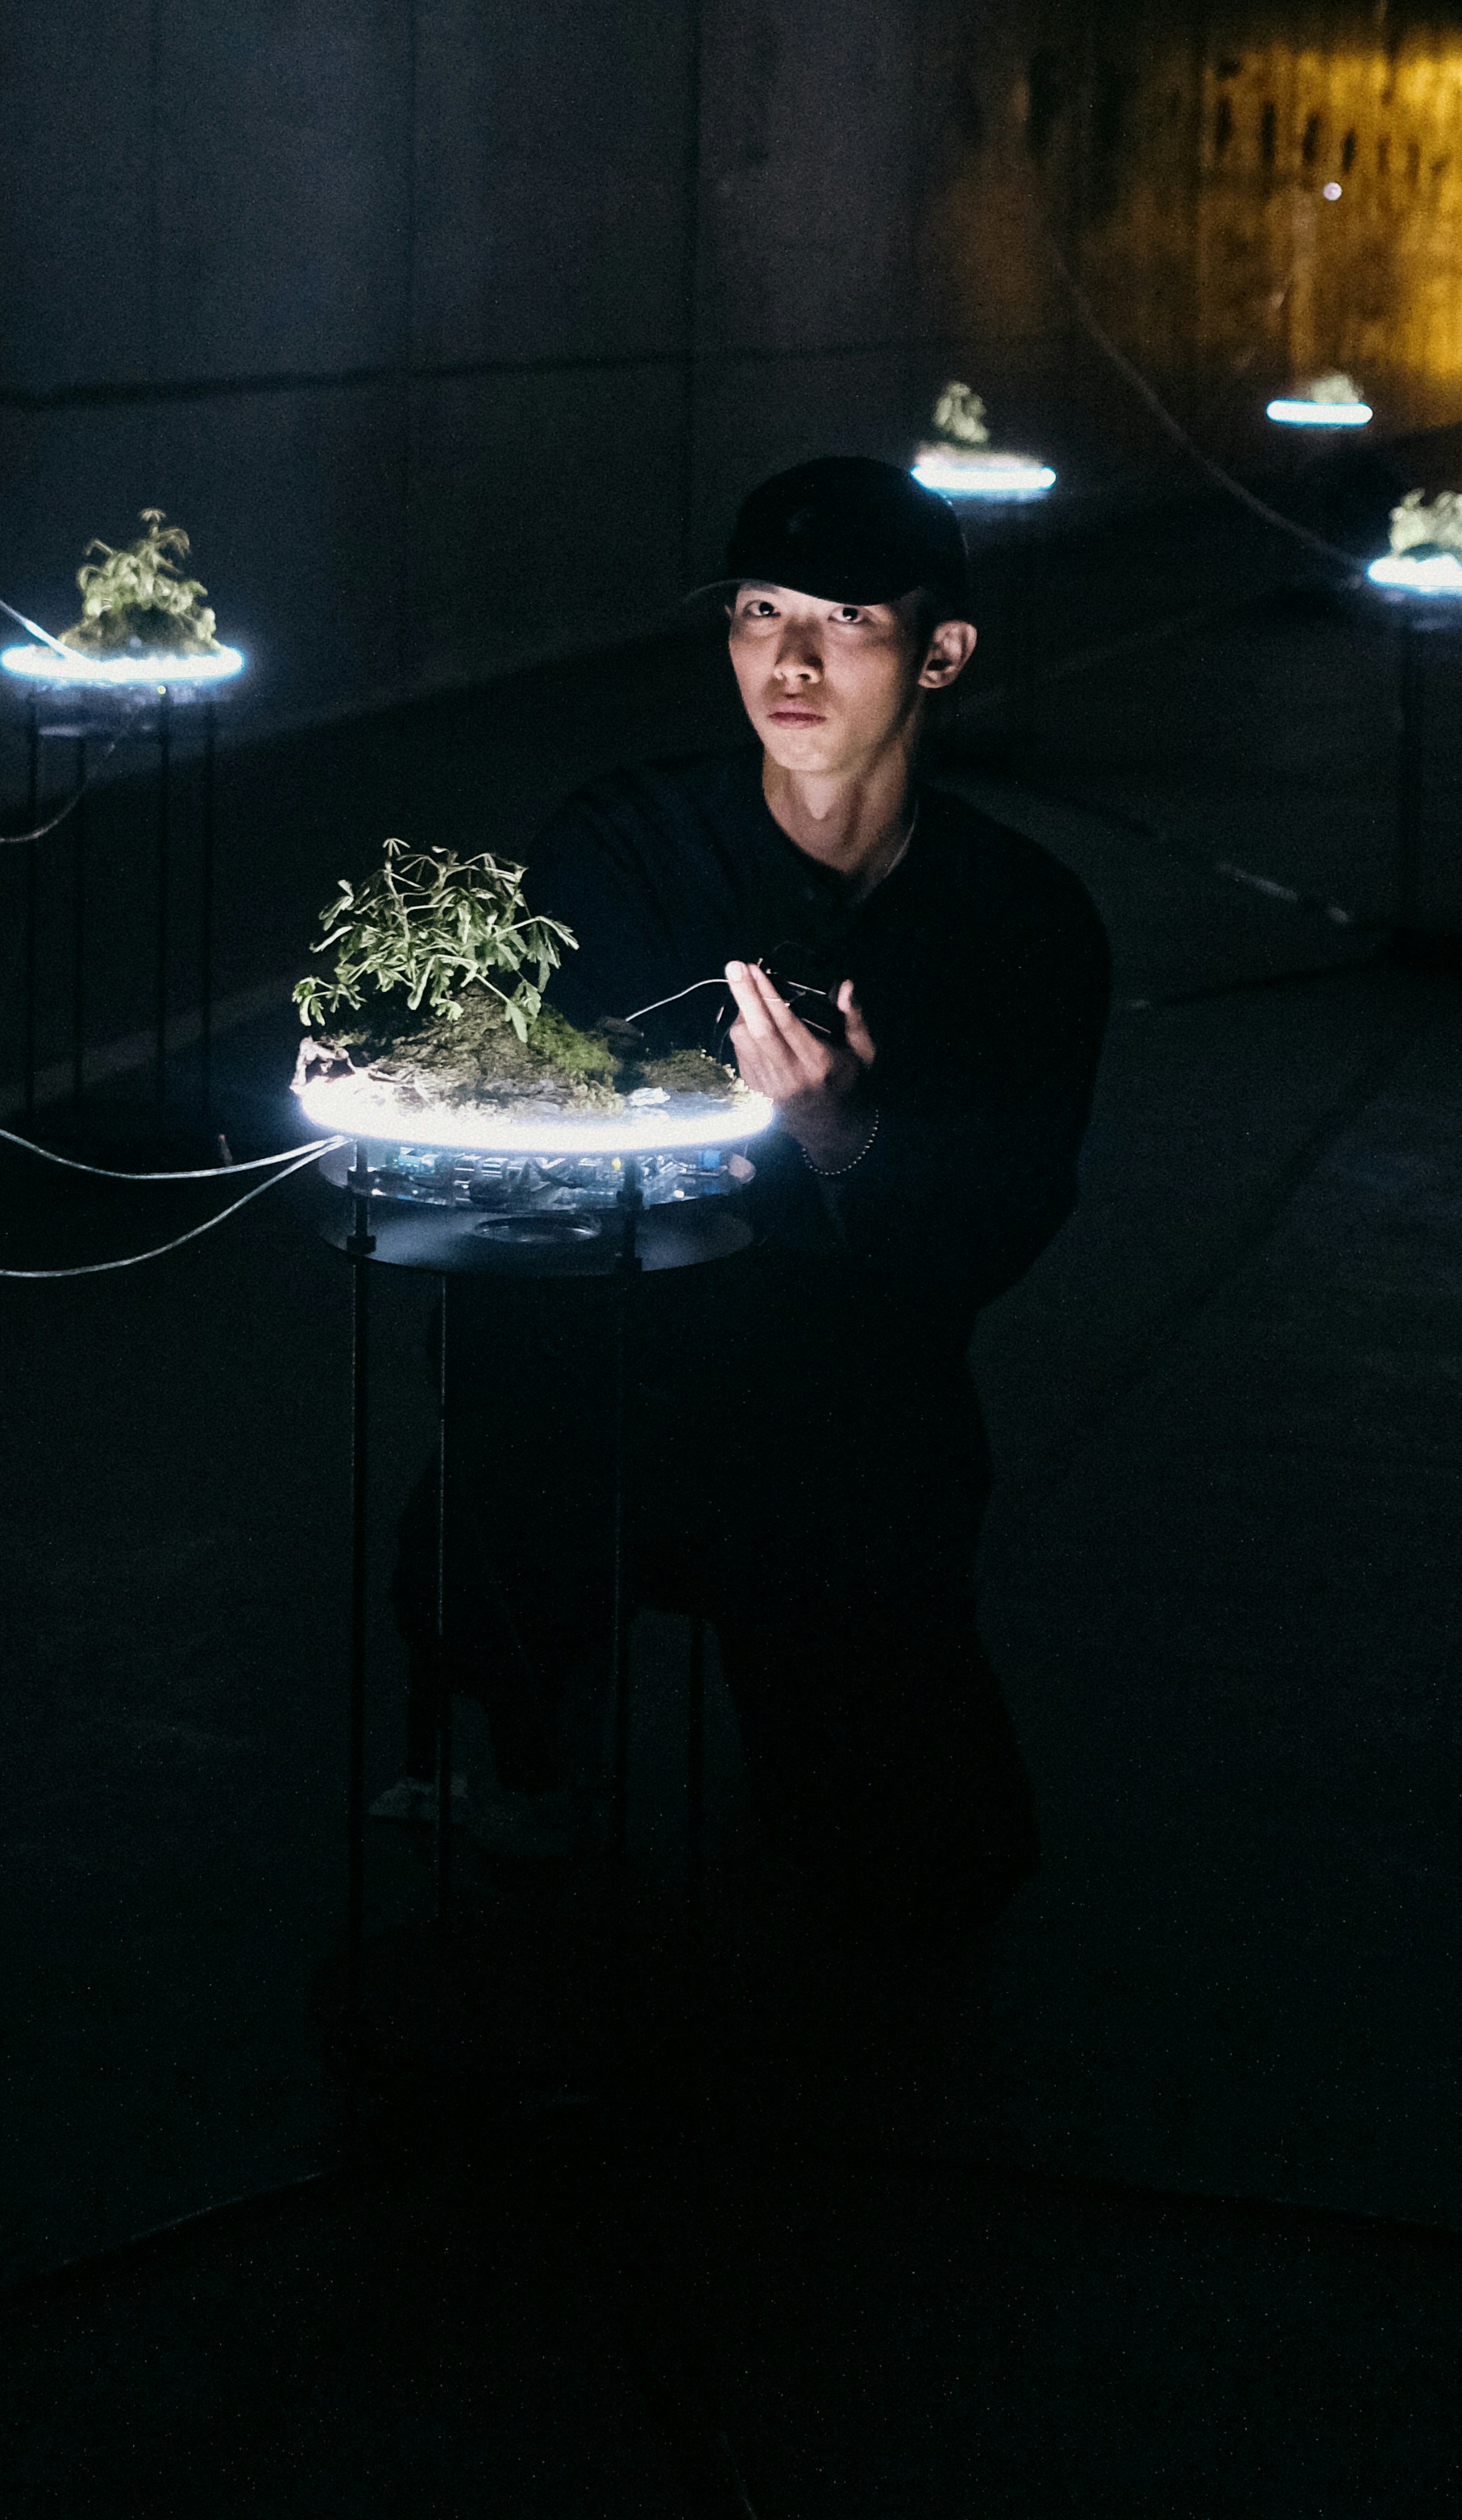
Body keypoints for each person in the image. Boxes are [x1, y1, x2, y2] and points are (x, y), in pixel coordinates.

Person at [392, 453, 1111, 1946]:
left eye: (844, 619)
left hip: (844, 1402)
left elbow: (999, 1225)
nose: (786, 660)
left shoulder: (1018, 919)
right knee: (505, 1457)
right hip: (608, 1364)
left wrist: (851, 1142)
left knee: (915, 1881)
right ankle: (530, 1741)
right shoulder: (627, 843)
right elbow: (529, 1128)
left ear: (942, 650)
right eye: (756, 613)